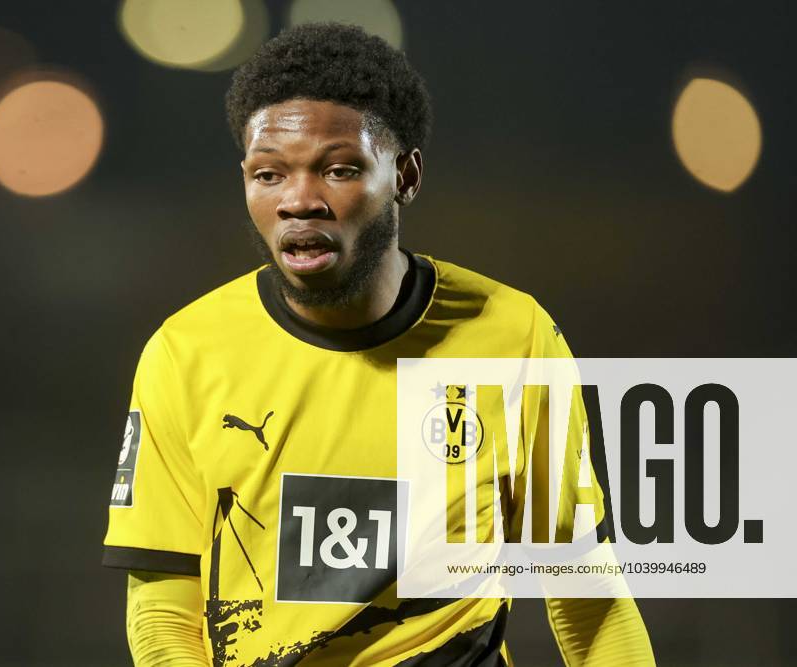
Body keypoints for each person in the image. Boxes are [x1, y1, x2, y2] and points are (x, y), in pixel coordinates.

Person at [103, 22, 655, 666]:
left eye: (339, 169)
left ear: (405, 176)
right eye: (269, 174)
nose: (299, 200)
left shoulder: (513, 334)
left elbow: (588, 594)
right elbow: (164, 613)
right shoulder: (186, 353)